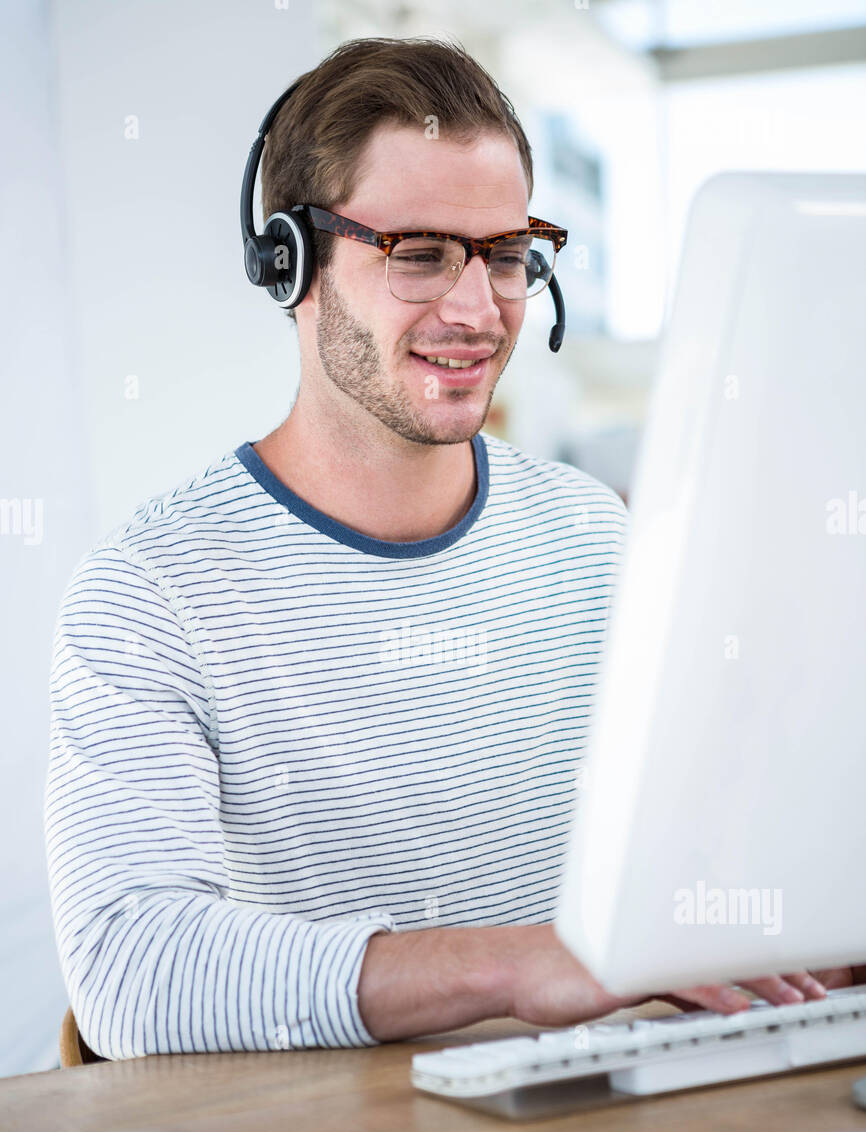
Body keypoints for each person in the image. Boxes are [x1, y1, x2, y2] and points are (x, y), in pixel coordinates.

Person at [44, 37, 854, 1060]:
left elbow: (689, 856)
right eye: (419, 253)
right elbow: (132, 972)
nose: (477, 311)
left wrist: (785, 924)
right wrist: (517, 964)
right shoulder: (148, 594)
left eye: (507, 254)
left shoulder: (592, 538)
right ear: (289, 265)